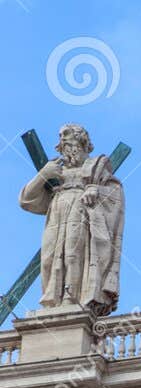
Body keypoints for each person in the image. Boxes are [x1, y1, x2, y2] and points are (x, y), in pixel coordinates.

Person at [19, 124, 124, 316]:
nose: (67, 148)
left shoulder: (96, 168)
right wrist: (43, 175)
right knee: (48, 257)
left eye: (71, 143)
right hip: (56, 213)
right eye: (64, 144)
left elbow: (115, 193)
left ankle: (71, 299)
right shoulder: (54, 170)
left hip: (81, 212)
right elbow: (26, 199)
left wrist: (95, 190)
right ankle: (52, 300)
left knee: (73, 254)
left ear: (83, 144)